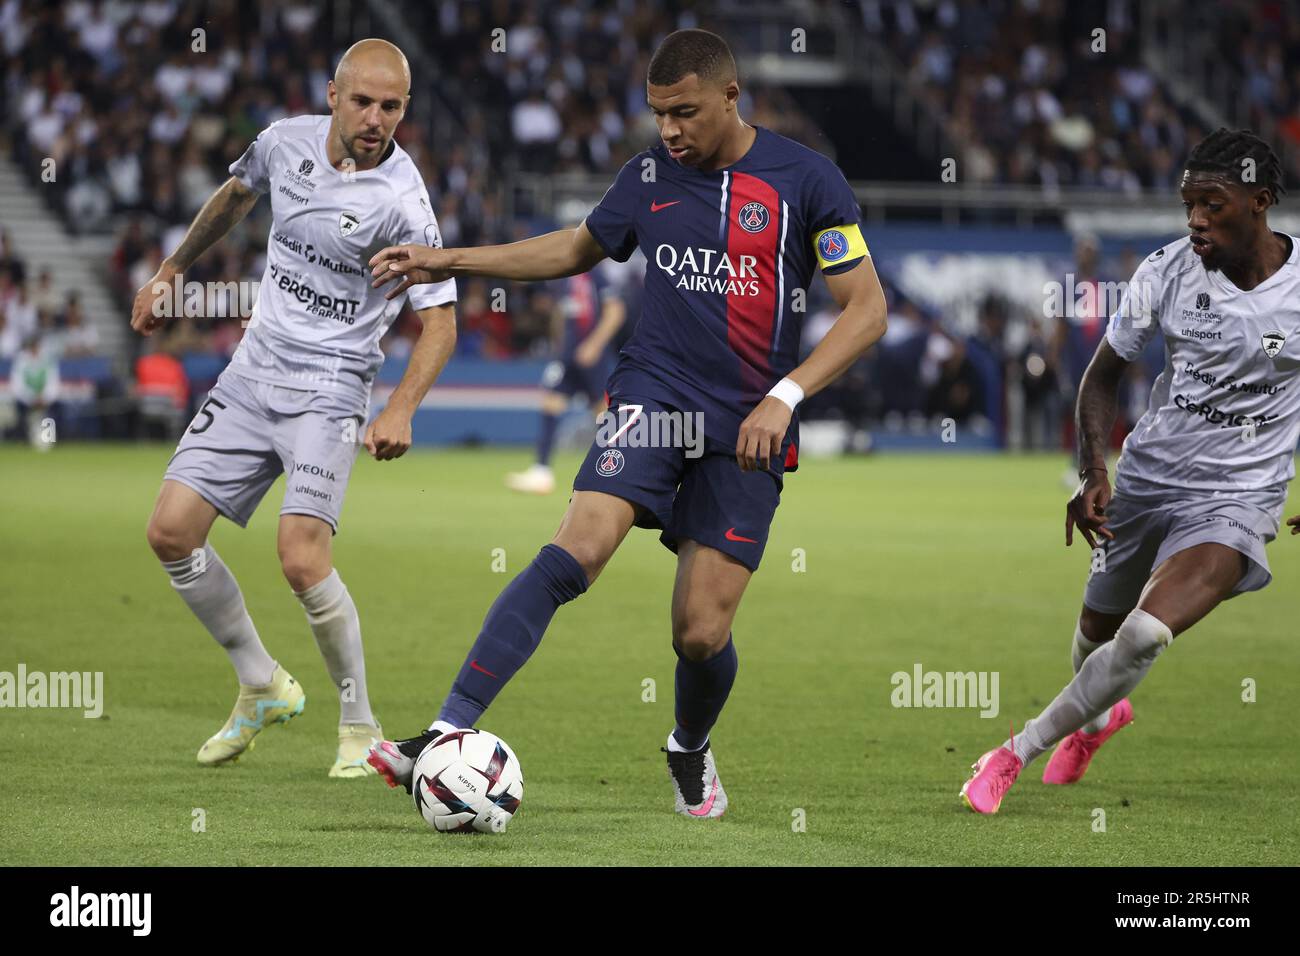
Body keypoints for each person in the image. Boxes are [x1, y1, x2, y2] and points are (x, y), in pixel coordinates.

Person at [365, 29, 887, 818]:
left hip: (750, 422)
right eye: (658, 114)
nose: (670, 131)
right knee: (578, 544)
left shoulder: (808, 181)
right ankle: (444, 735)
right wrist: (452, 260)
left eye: (684, 113)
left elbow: (868, 308)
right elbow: (576, 248)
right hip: (653, 392)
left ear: (730, 97)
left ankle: (688, 747)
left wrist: (787, 395)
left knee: (700, 635)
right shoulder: (647, 177)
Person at [131, 39, 458, 777]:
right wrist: (171, 271)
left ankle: (358, 724)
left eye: (393, 106)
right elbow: (236, 195)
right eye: (364, 101)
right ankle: (260, 682)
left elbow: (441, 320)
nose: (376, 119)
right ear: (334, 95)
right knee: (169, 532)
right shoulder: (284, 143)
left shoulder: (403, 200)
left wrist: (401, 407)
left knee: (301, 558)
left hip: (333, 386)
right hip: (253, 372)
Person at [961, 129, 1300, 814]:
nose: (1196, 220)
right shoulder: (1165, 272)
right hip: (1148, 481)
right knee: (1094, 638)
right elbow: (1102, 376)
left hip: (1239, 496)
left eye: (1213, 204)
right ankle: (1098, 719)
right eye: (1188, 205)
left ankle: (1011, 753)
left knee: (1144, 634)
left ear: (1260, 202)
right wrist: (1094, 471)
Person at [506, 261, 626, 494]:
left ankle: (620, 471)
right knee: (552, 402)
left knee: (603, 414)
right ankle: (541, 472)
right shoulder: (563, 276)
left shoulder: (595, 273)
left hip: (592, 355)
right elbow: (561, 314)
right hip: (570, 354)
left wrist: (594, 344)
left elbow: (616, 311)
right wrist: (560, 346)